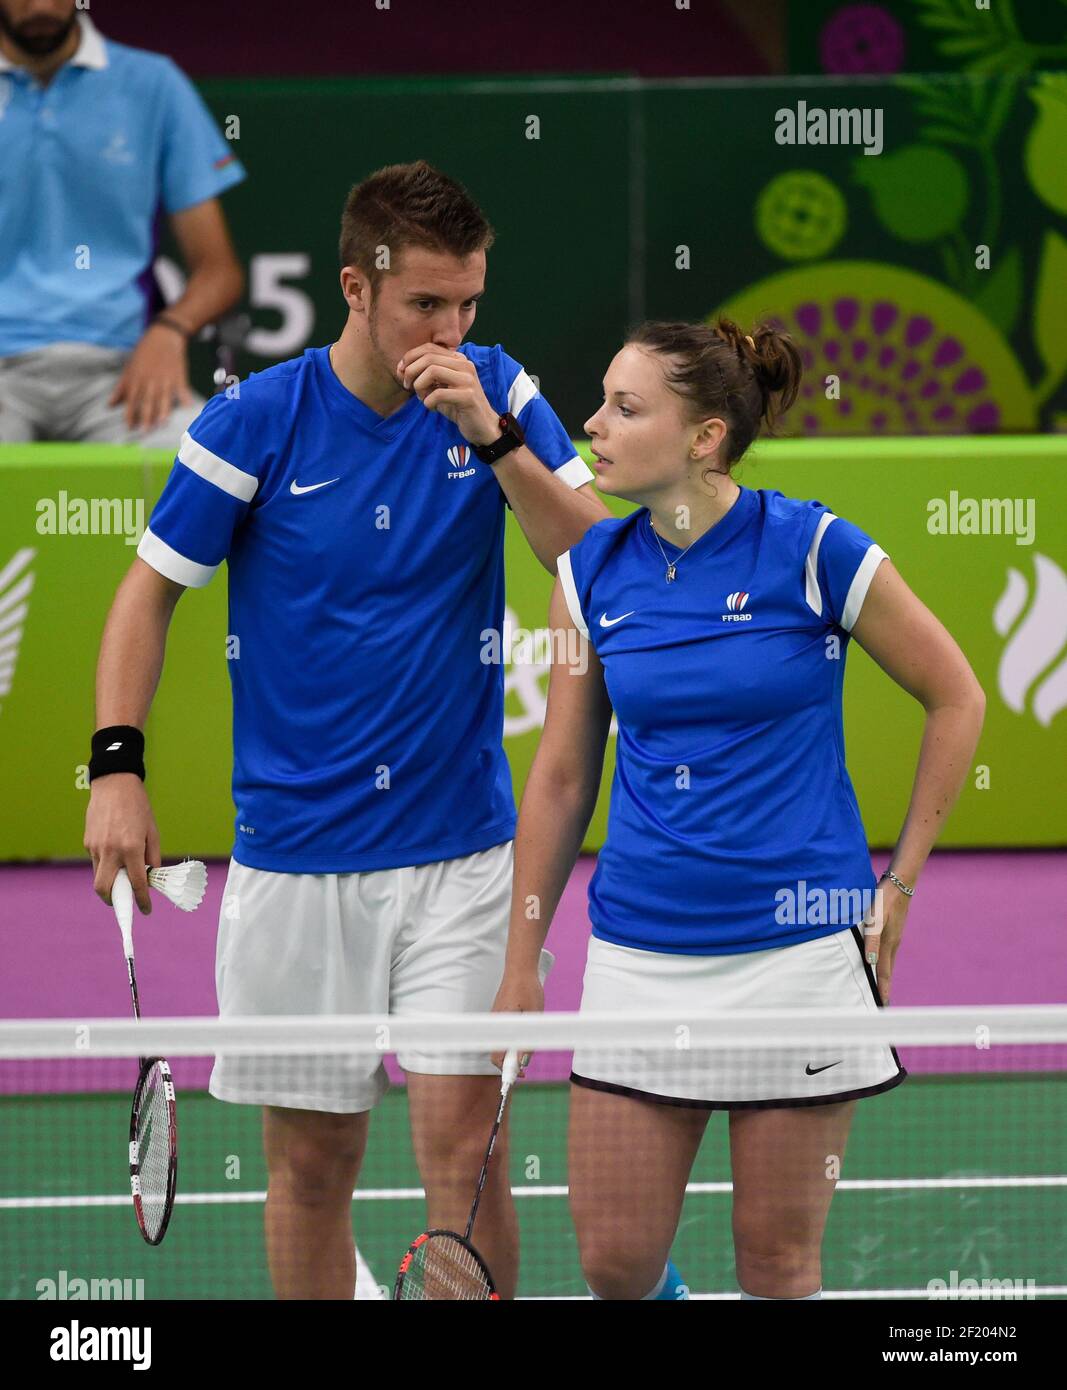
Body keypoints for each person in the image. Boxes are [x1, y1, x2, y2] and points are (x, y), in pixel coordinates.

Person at [83, 159, 609, 1300]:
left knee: (464, 1154)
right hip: (294, 856)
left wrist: (492, 439)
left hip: (461, 853)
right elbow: (147, 593)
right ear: (356, 289)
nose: (450, 330)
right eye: (425, 303)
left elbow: (597, 557)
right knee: (313, 1167)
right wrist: (115, 766)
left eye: (467, 302)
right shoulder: (255, 420)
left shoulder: (498, 391)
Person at [492, 317, 986, 1300]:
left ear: (703, 437)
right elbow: (560, 776)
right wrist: (521, 963)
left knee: (774, 1265)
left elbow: (955, 696)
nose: (593, 425)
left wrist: (897, 887)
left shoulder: (812, 549)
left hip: (796, 956)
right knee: (615, 1265)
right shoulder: (588, 574)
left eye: (625, 408)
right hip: (641, 952)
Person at [0, 1, 245, 445]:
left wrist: (169, 331)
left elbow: (218, 272)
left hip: (121, 373)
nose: (39, 4)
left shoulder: (153, 84)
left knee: (209, 458)